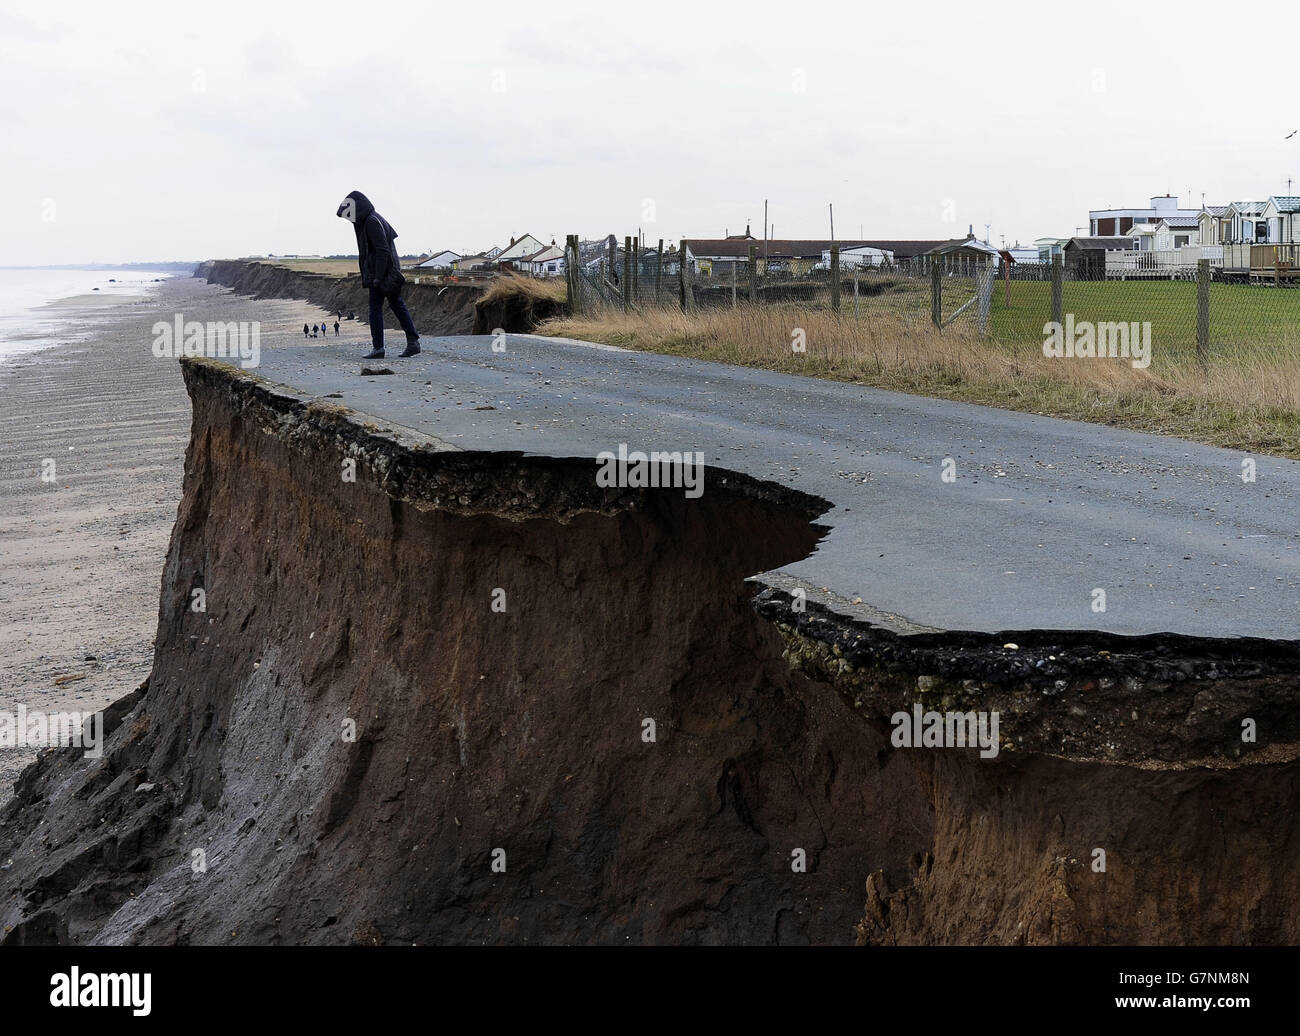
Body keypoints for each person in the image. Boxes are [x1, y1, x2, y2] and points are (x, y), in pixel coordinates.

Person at [336, 190, 420, 359]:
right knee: (397, 305)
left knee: (376, 310)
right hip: (383, 272)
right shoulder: (373, 219)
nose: (350, 220)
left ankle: (380, 348)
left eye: (349, 215)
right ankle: (412, 342)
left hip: (382, 274)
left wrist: (378, 278)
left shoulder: (371, 222)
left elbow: (382, 250)